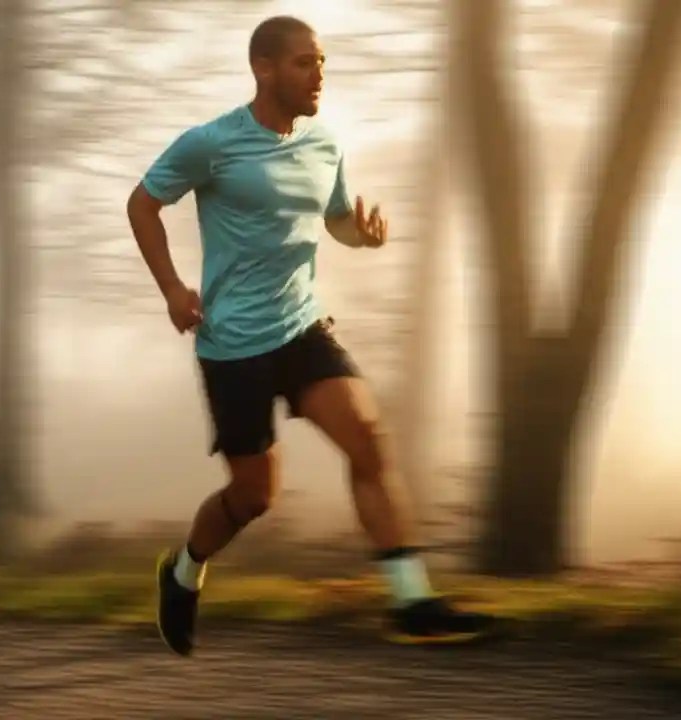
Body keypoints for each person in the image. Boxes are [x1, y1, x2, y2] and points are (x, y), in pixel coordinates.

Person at [126, 15, 494, 657]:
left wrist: (363, 235)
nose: (318, 73)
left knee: (369, 439)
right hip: (232, 343)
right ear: (264, 69)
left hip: (302, 328)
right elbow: (142, 204)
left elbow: (336, 223)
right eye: (303, 62)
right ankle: (182, 571)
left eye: (321, 61)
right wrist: (173, 291)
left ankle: (411, 602)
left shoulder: (325, 142)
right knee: (254, 495)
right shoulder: (212, 143)